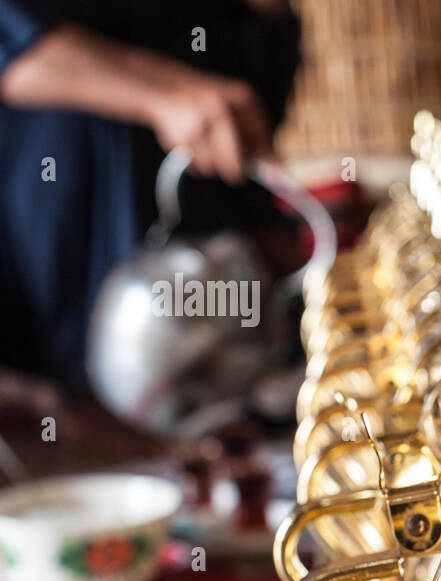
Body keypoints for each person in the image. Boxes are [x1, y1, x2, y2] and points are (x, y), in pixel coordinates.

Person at [0, 0, 301, 388]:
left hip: (200, 348)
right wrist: (168, 93)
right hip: (46, 318)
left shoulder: (256, 27)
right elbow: (12, 40)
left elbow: (242, 174)